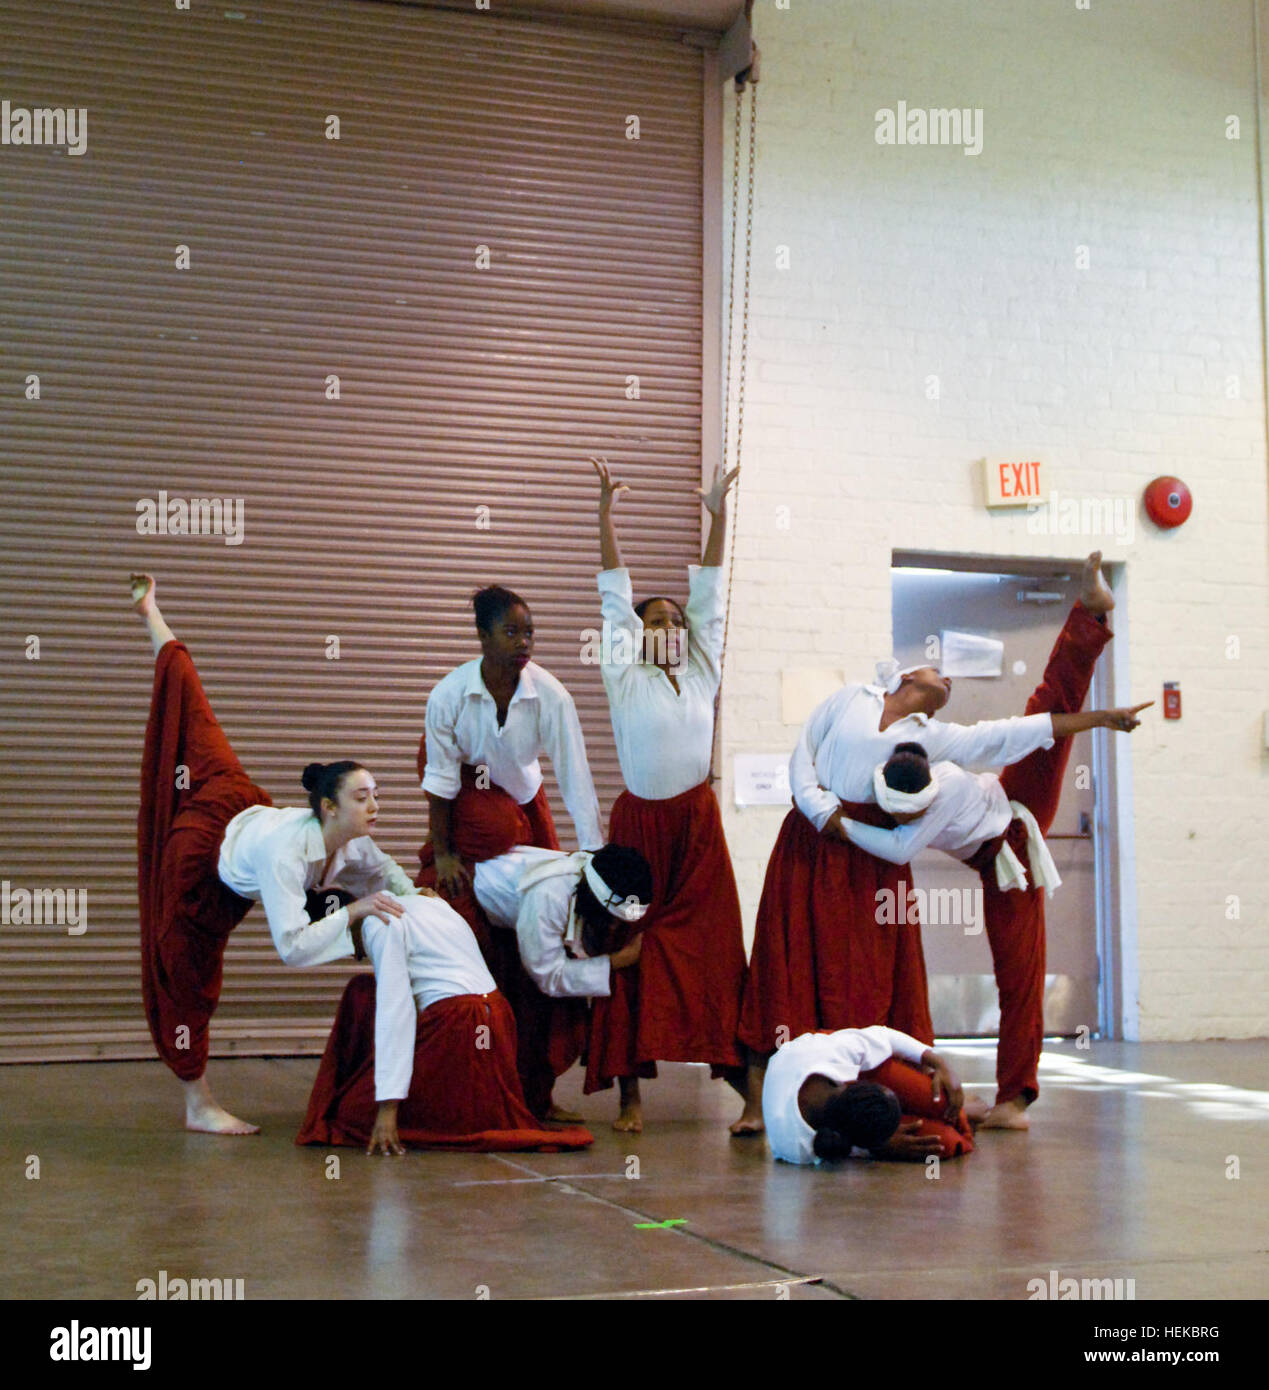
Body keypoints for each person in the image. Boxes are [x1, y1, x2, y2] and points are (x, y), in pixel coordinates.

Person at [738, 554, 1128, 1127]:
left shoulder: (936, 748)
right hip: (997, 834)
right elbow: (806, 753)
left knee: (1046, 711)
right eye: (936, 670)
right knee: (1018, 971)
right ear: (904, 679)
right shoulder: (856, 704)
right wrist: (825, 812)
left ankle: (1016, 1095)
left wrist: (1098, 721)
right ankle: (1003, 1096)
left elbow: (1008, 734)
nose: (947, 677)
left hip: (1010, 826)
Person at [131, 573, 422, 1136]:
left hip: (233, 797)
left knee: (198, 715)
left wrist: (415, 897)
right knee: (188, 984)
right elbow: (290, 946)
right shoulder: (289, 856)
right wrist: (356, 911)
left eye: (377, 795)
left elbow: (383, 871)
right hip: (198, 867)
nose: (375, 806)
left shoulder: (350, 837)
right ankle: (199, 1106)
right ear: (329, 808)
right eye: (363, 798)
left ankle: (150, 614)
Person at [585, 457, 758, 1134]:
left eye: (672, 620)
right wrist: (604, 518)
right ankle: (630, 1095)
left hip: (697, 829)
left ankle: (744, 1088)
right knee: (629, 949)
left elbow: (711, 593)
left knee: (715, 955)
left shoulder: (703, 670)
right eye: (650, 619)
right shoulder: (623, 676)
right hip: (640, 830)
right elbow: (611, 597)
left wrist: (716, 516)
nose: (665, 626)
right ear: (636, 634)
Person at [418, 584, 605, 1123]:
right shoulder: (448, 696)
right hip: (465, 813)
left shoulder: (551, 695)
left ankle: (537, 1088)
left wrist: (591, 857)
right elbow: (438, 783)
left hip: (526, 805)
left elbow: (575, 776)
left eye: (529, 633)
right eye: (511, 632)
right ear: (482, 636)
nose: (524, 643)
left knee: (550, 928)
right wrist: (447, 854)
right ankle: (466, 1084)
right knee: (465, 929)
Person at [296, 890, 594, 1155]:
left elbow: (395, 1011)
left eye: (347, 949)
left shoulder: (378, 924)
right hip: (496, 1019)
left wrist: (388, 1108)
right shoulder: (422, 901)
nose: (357, 956)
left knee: (349, 1117)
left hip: (459, 1025)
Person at [473, 844, 652, 1122]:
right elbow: (547, 976)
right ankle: (497, 1105)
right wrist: (618, 960)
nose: (615, 929)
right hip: (477, 910)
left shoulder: (591, 887)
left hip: (519, 924)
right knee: (511, 1018)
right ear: (595, 903)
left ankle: (537, 1100)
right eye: (612, 921)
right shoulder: (549, 896)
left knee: (550, 1018)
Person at [763, 1025, 984, 1165]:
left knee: (940, 1101)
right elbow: (846, 1145)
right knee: (943, 1143)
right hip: (853, 1127)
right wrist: (874, 1148)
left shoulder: (834, 1052)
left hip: (828, 1057)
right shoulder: (801, 1149)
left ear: (851, 1082)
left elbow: (884, 1036)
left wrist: (940, 1064)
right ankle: (964, 1117)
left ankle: (964, 1112)